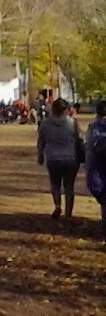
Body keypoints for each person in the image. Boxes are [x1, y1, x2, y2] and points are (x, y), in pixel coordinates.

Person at [36, 93, 82, 220]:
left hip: (53, 159)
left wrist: (40, 155)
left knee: (55, 184)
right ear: (66, 110)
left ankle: (57, 205)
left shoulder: (45, 124)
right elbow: (79, 140)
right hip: (70, 158)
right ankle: (68, 213)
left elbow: (41, 141)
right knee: (69, 186)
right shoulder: (73, 123)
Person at [85, 100, 106, 242]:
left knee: (103, 199)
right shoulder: (94, 127)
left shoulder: (93, 127)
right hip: (98, 166)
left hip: (96, 167)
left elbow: (90, 147)